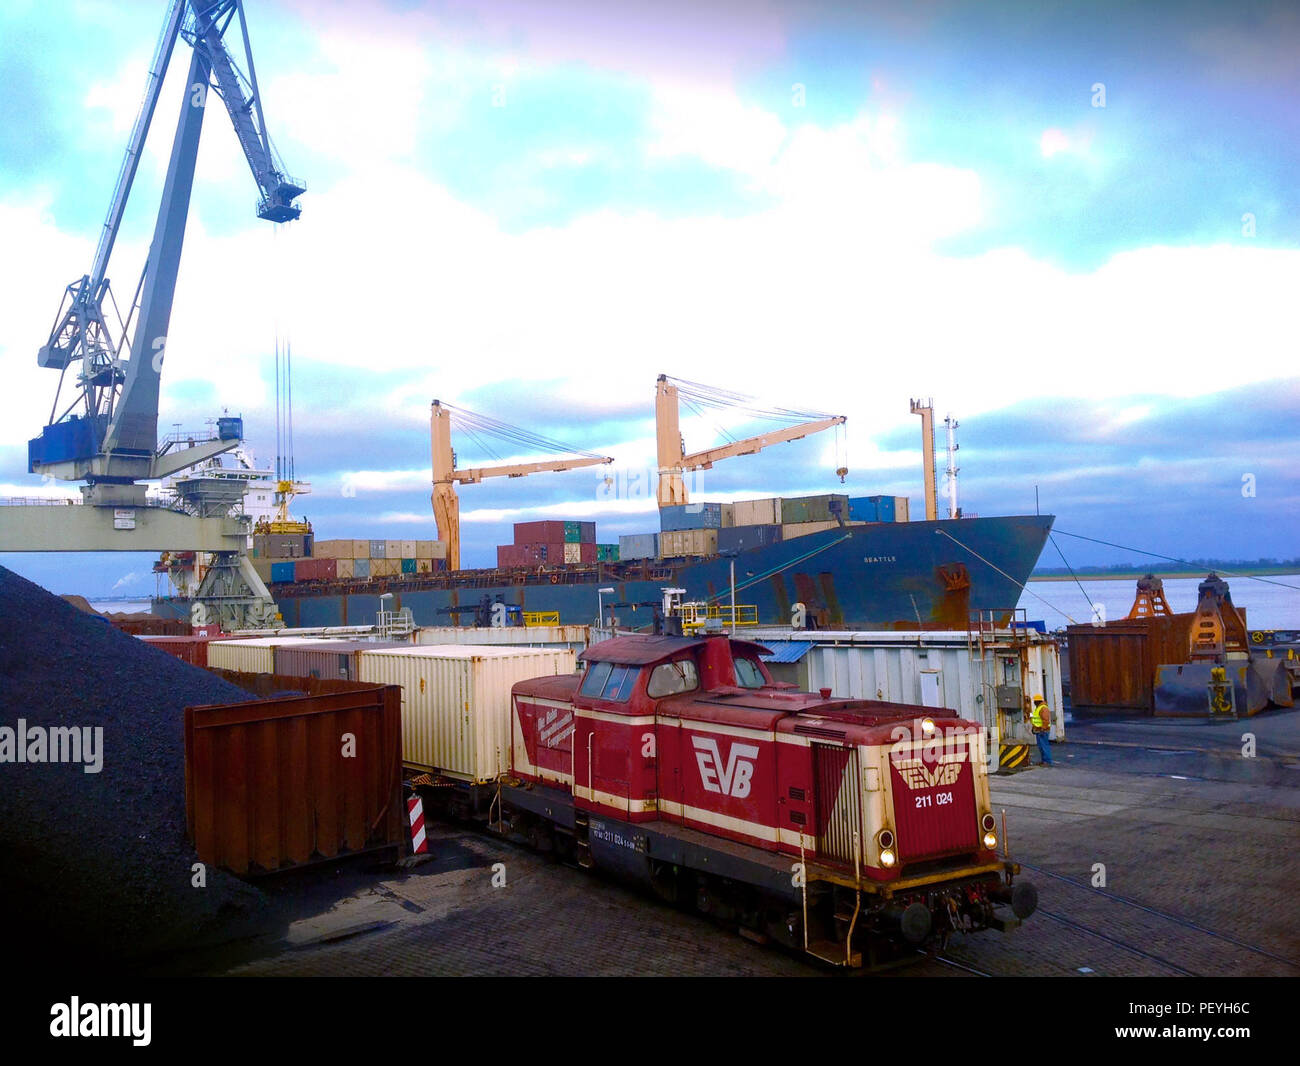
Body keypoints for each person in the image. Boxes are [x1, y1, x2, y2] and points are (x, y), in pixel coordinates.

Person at [1029, 694, 1053, 767]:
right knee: (1041, 746)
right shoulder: (1038, 708)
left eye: (1034, 701)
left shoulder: (1043, 708)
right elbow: (1035, 718)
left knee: (1044, 746)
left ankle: (1047, 761)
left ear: (1037, 701)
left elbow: (1045, 720)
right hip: (1039, 730)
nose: (1033, 702)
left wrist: (1042, 729)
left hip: (1043, 731)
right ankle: (1044, 761)